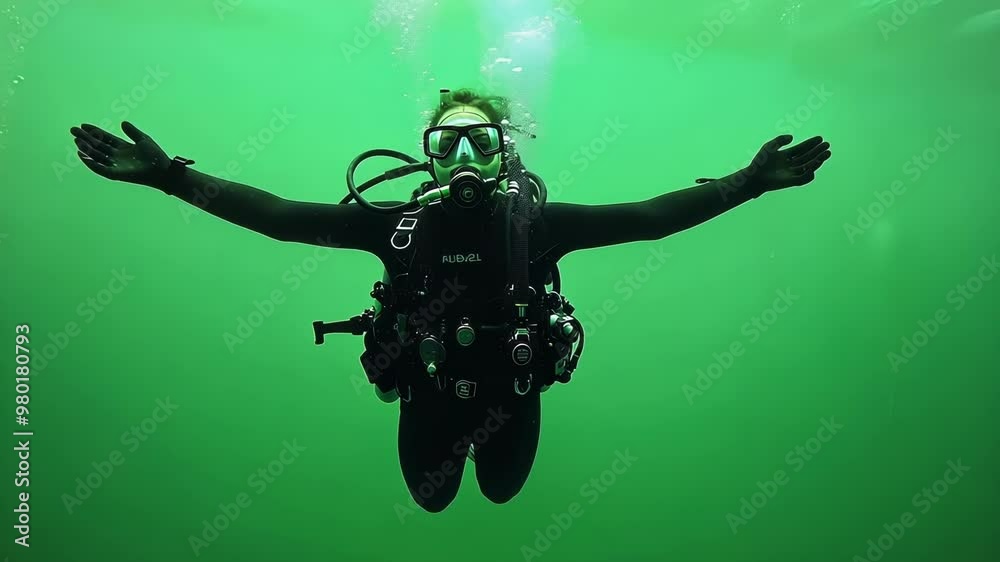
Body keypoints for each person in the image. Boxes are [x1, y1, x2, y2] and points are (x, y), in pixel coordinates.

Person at [69, 88, 832, 512]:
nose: (464, 159)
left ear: (505, 154)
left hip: (515, 396)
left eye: (480, 143)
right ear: (428, 155)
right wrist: (170, 176)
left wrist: (746, 184)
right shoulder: (397, 225)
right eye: (448, 144)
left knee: (501, 492)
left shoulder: (536, 225)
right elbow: (277, 219)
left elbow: (649, 221)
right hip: (426, 402)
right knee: (432, 502)